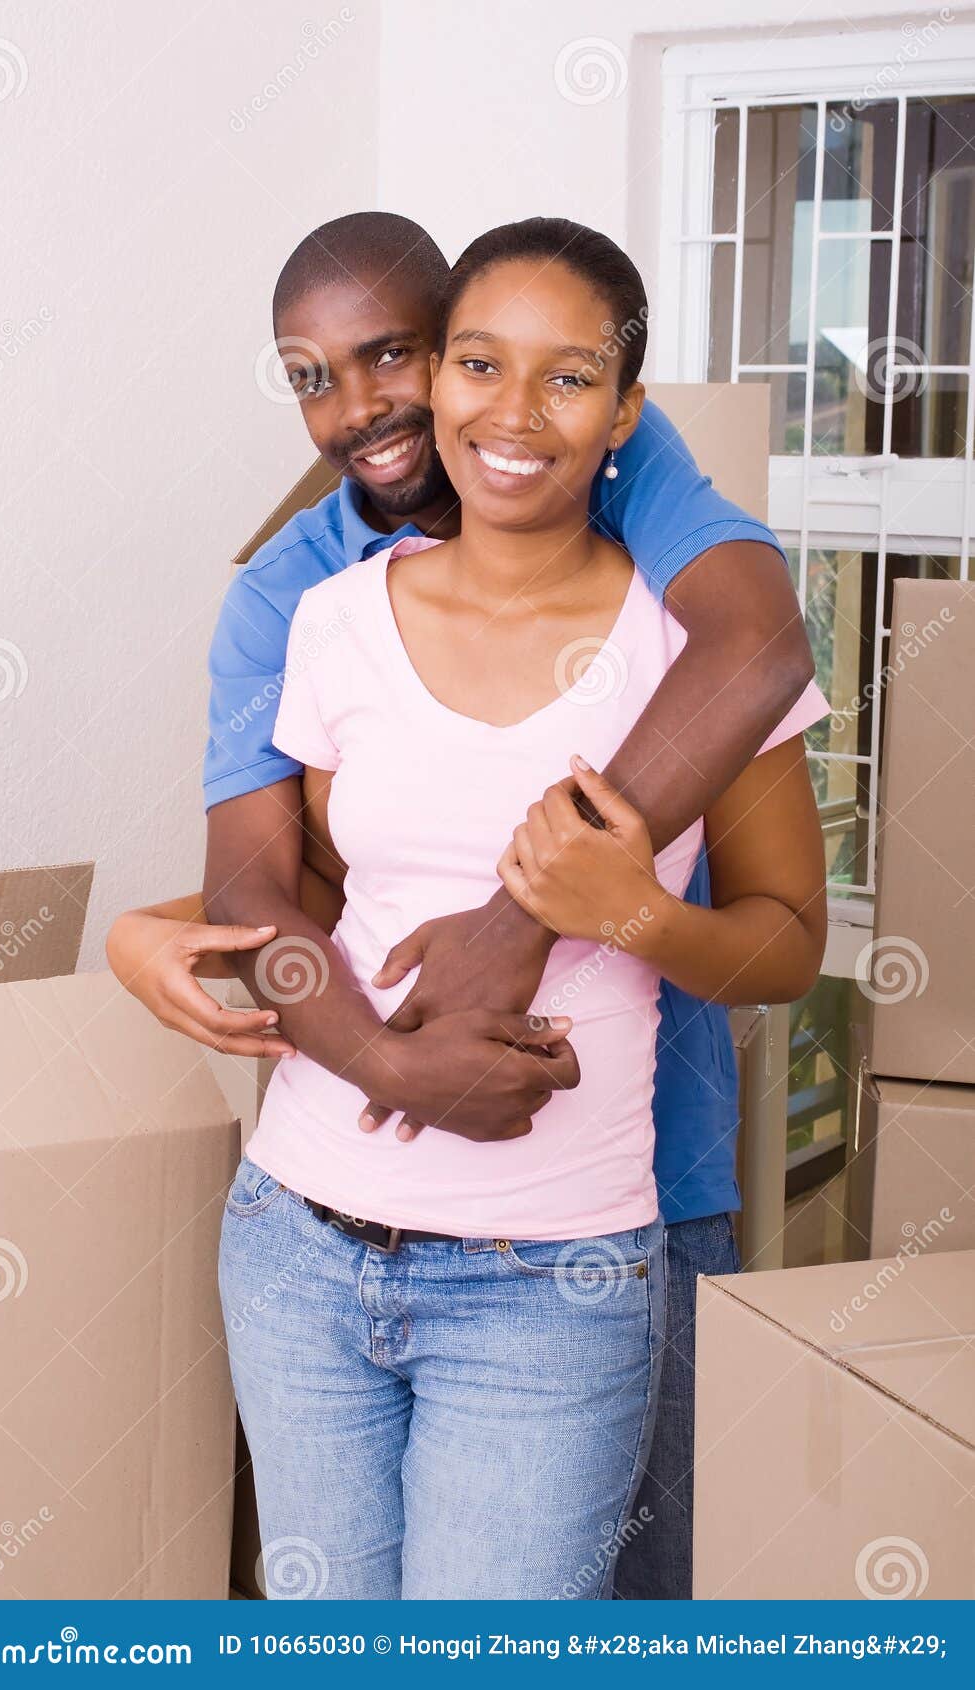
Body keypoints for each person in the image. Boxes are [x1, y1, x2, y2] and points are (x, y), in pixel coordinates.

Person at [113, 217, 828, 1599]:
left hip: (573, 1252)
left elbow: (765, 736)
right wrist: (379, 1056)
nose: (366, 405)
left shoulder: (679, 609)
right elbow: (291, 886)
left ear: (623, 405)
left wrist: (596, 912)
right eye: (312, 375)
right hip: (306, 1231)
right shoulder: (312, 606)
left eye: (391, 353)